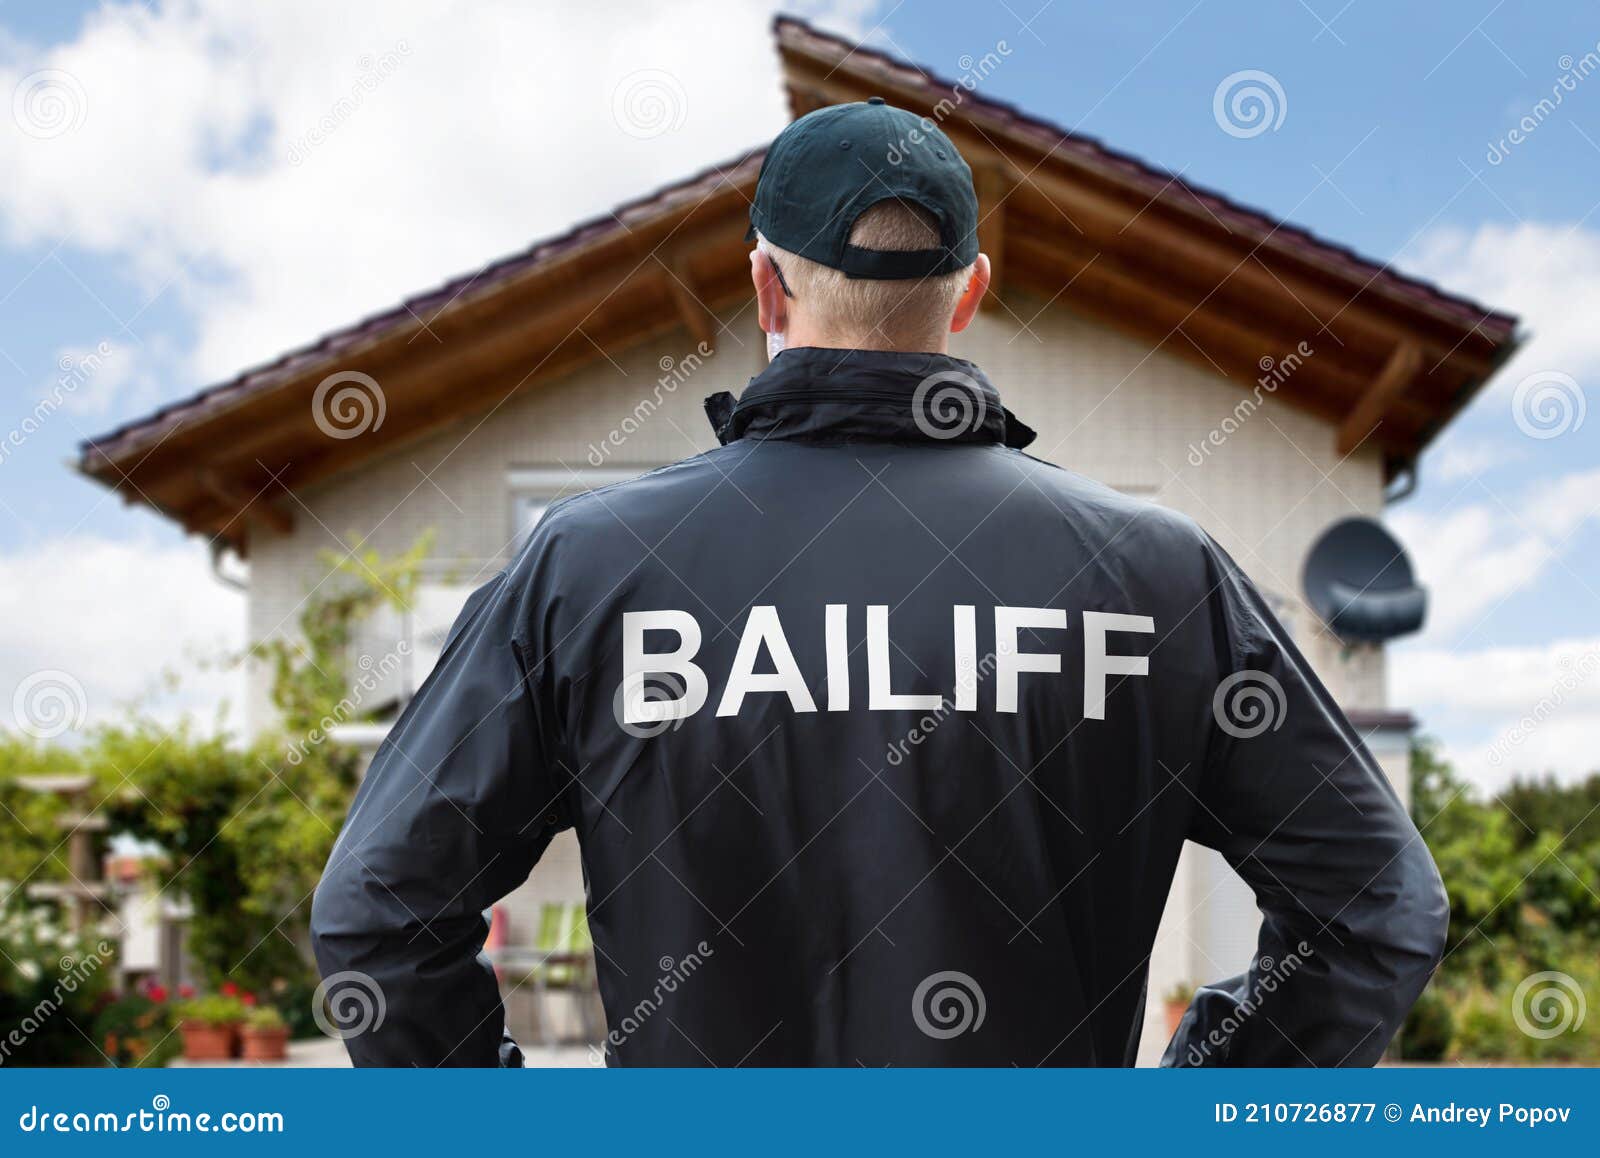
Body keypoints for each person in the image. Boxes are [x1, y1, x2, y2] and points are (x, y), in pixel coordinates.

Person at [310, 98, 1447, 1067]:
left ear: (763, 287)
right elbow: (1376, 911)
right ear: (968, 295)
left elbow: (380, 913)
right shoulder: (1155, 573)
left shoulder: (590, 568)